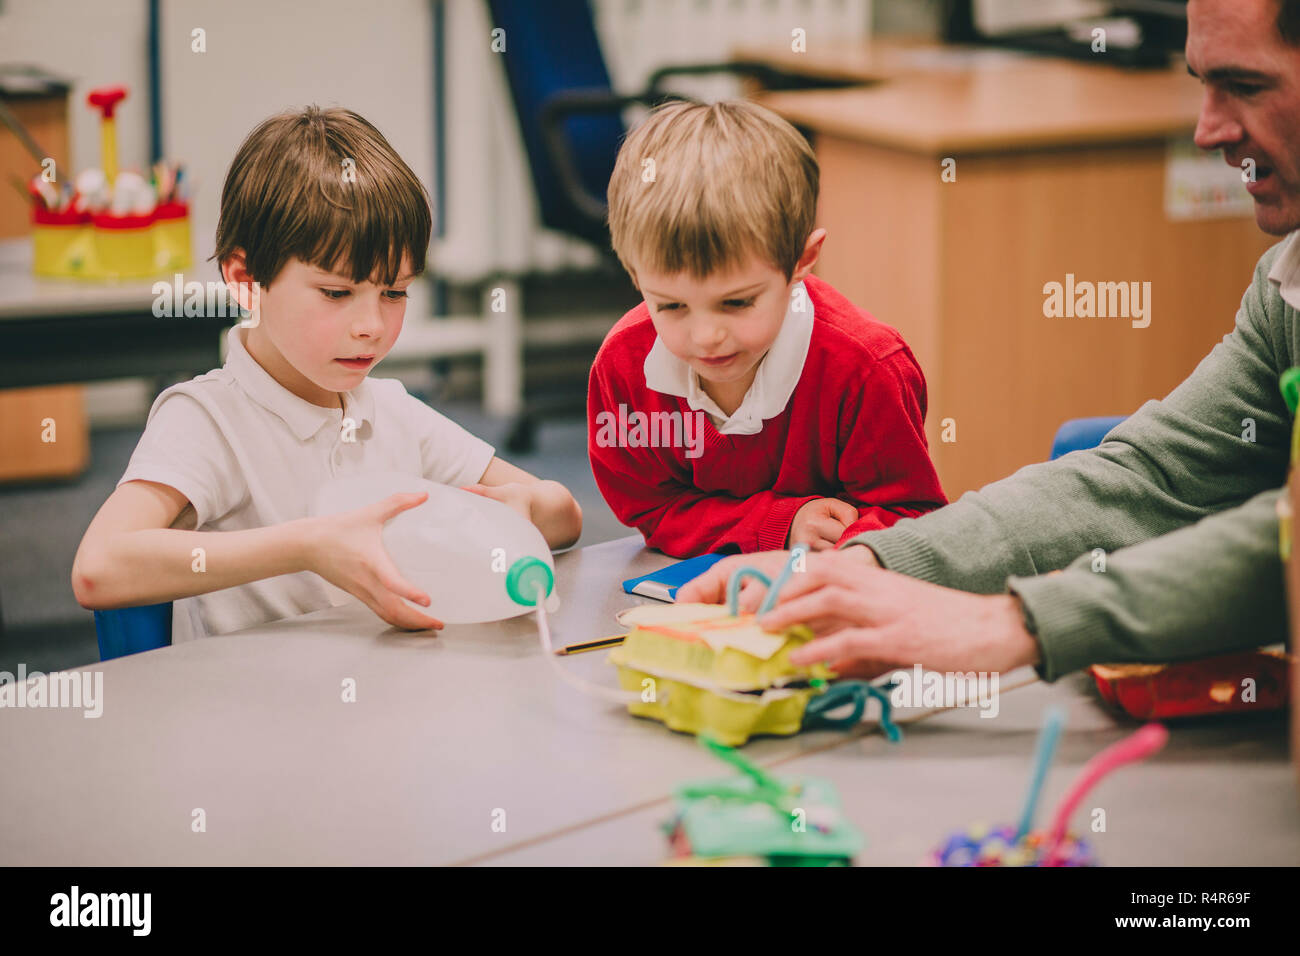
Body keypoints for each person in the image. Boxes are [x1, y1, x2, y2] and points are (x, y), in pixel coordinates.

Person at [680, 0, 1300, 682]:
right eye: (1202, 85)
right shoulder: (1286, 290)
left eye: (1245, 86)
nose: (1206, 131)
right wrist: (862, 568)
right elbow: (1154, 480)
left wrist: (1019, 621)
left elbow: (1285, 536)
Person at [72, 106, 582, 641]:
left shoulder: (391, 411)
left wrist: (525, 510)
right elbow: (98, 568)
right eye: (337, 293)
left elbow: (565, 515)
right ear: (246, 280)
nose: (371, 326)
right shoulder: (207, 419)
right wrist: (307, 546)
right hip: (255, 711)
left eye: (395, 292)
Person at [587, 100, 946, 558]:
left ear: (802, 261)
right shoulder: (622, 368)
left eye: (736, 302)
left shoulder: (867, 367)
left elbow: (913, 516)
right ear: (635, 275)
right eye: (672, 305)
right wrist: (779, 525)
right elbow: (651, 509)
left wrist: (839, 548)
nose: (706, 336)